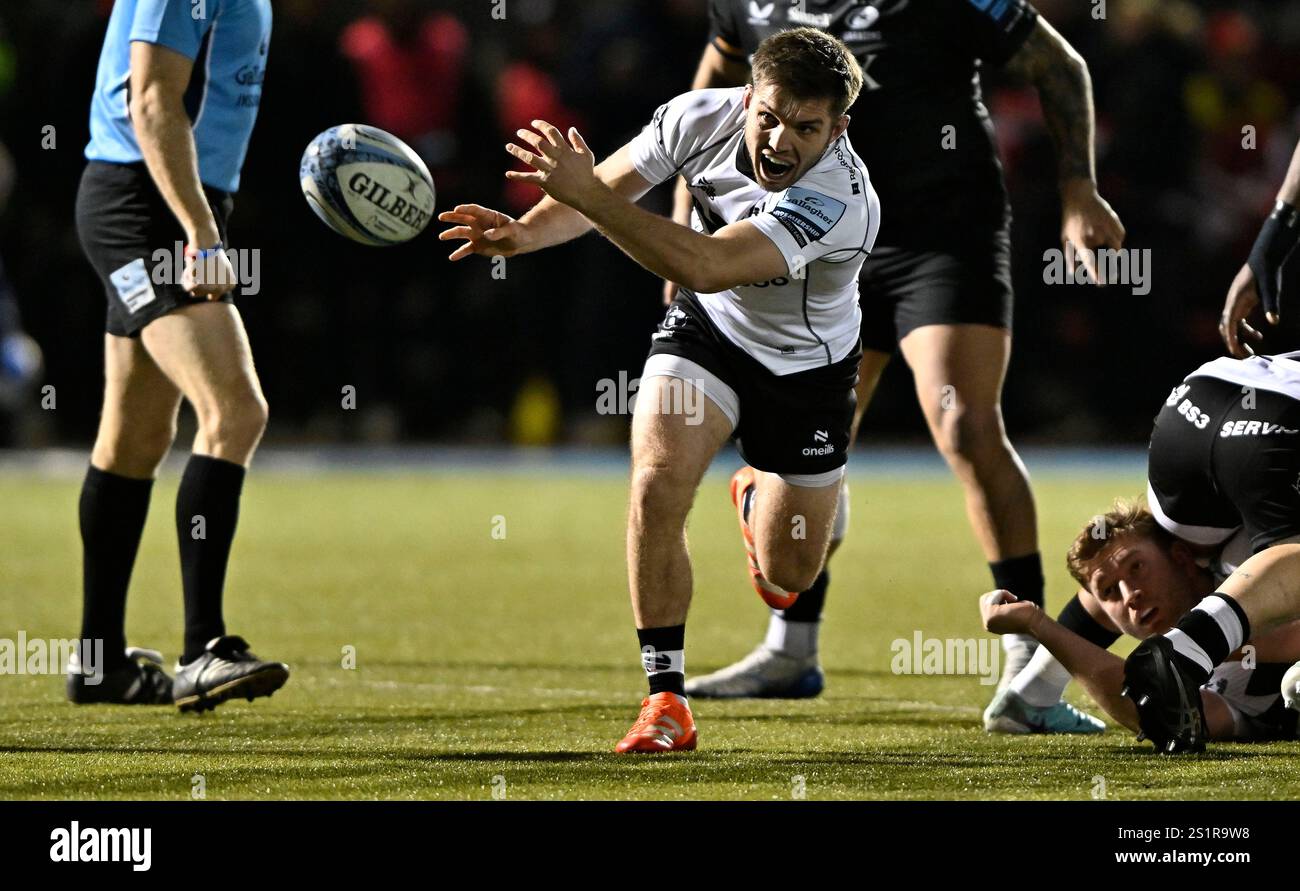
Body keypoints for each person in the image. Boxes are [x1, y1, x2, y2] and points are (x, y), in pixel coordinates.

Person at [677, 0, 1125, 735]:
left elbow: (1058, 63)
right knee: (809, 440)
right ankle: (792, 650)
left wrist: (1078, 185)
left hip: (939, 236)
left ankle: (1025, 664)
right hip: (815, 242)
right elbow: (719, 78)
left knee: (964, 421)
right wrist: (688, 204)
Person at [439, 28, 878, 752]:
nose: (779, 140)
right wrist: (520, 234)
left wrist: (585, 196)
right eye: (768, 116)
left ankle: (755, 495)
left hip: (807, 369)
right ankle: (665, 699)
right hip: (707, 333)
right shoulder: (694, 118)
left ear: (838, 130)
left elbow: (704, 261)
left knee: (790, 571)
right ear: (747, 99)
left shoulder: (840, 199)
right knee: (655, 483)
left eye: (805, 127)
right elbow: (597, 197)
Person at [69, 0, 287, 711]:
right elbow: (152, 98)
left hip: (178, 200)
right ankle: (204, 649)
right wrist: (200, 231)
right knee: (235, 408)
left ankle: (99, 661)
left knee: (133, 438)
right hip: (144, 205)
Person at [981, 498, 1300, 743]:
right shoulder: (1220, 689)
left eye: (1137, 568)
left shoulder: (1244, 569)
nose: (1129, 595)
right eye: (1109, 592)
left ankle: (1032, 693)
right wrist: (1037, 623)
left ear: (1181, 557)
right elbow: (1158, 714)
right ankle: (1032, 694)